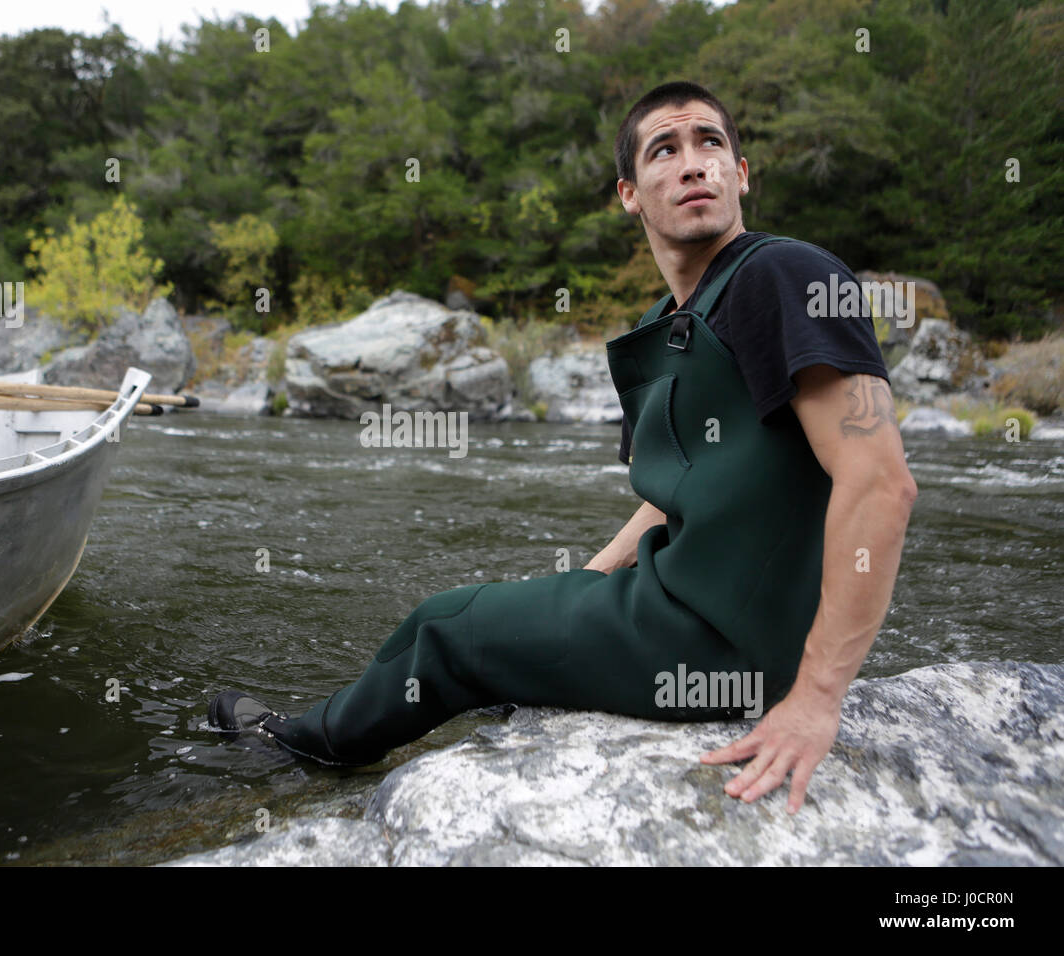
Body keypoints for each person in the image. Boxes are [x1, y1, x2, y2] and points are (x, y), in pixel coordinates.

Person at [209, 80, 917, 814]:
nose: (693, 163)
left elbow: (880, 483)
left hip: (717, 645)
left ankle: (308, 743)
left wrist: (816, 700)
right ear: (629, 193)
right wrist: (584, 584)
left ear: (741, 175)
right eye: (665, 150)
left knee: (446, 628)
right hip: (682, 610)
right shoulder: (666, 320)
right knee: (512, 618)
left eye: (712, 143)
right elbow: (676, 491)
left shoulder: (785, 274)